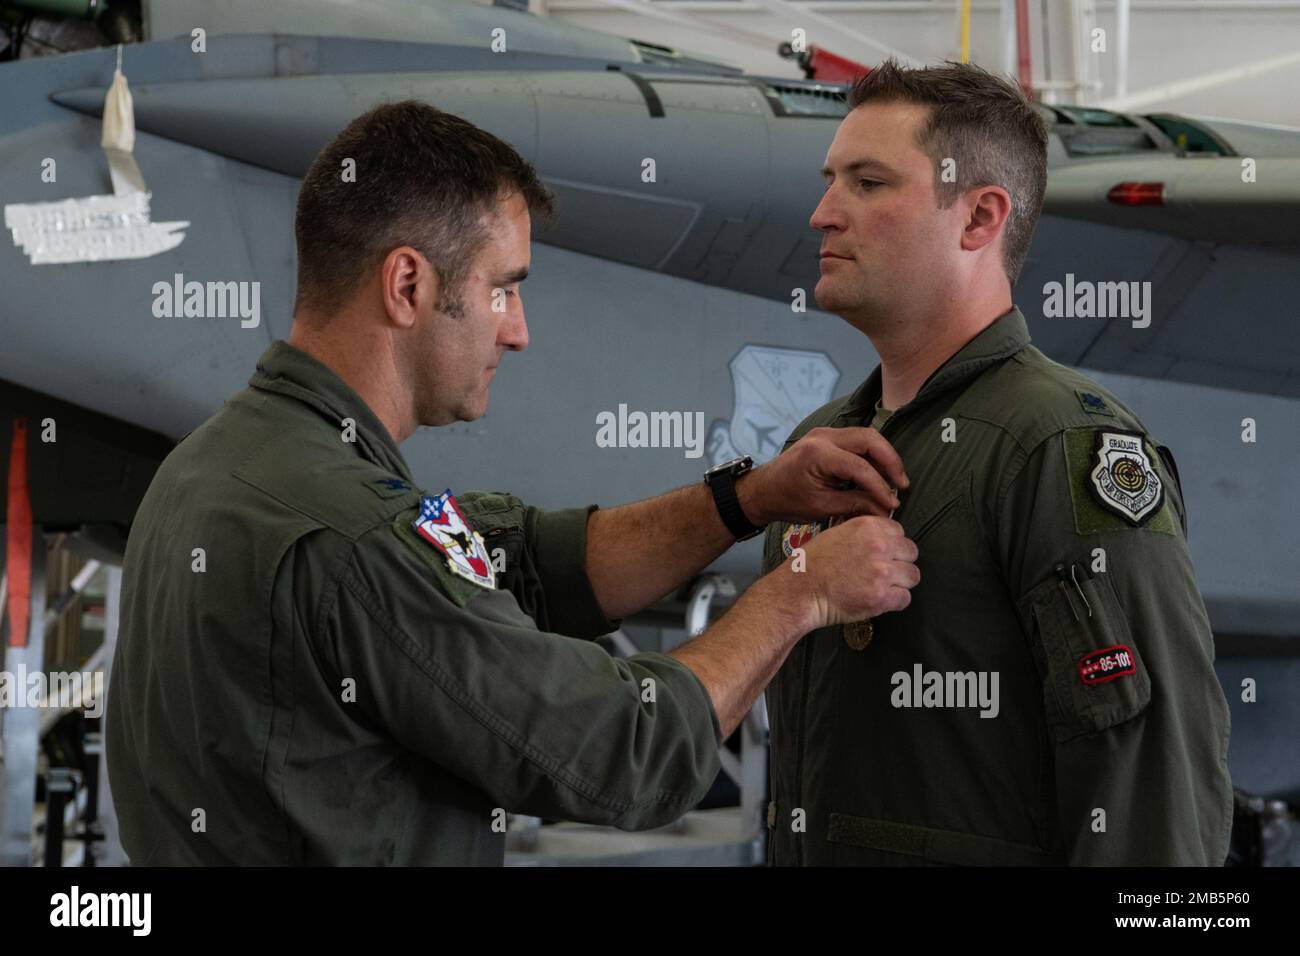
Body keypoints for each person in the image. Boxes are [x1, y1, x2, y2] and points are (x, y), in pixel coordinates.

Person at [105, 101, 921, 865]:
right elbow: (619, 753)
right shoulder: (357, 538)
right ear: (408, 285)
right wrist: (800, 593)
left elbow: (524, 561)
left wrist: (748, 501)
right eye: (504, 289)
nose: (520, 332)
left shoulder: (217, 466)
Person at [760, 61, 1232, 866]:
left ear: (979, 217)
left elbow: (1157, 785)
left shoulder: (1060, 448)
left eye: (868, 183)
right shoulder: (820, 449)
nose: (823, 214)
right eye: (830, 180)